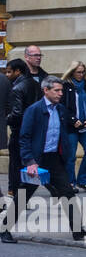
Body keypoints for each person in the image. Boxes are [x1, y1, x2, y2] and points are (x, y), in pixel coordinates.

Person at [19, 77, 86, 242]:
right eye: (57, 90)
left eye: (61, 90)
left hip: (54, 159)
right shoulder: (34, 110)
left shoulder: (60, 110)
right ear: (45, 90)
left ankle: (78, 231)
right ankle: (4, 229)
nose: (60, 93)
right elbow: (24, 138)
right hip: (37, 160)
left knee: (67, 193)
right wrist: (30, 162)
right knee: (24, 195)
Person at [3, 58, 41, 243]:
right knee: (30, 184)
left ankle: (78, 228)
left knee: (24, 178)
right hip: (34, 143)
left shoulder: (18, 88)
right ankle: (5, 227)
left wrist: (5, 119)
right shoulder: (34, 85)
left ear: (18, 71)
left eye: (9, 71)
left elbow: (17, 114)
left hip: (24, 139)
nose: (7, 75)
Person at [61, 61, 86, 191]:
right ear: (72, 72)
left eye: (83, 72)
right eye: (78, 72)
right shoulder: (65, 86)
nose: (81, 75)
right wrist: (72, 120)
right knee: (70, 156)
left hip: (85, 126)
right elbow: (62, 107)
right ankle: (70, 183)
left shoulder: (85, 85)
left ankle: (83, 180)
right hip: (71, 127)